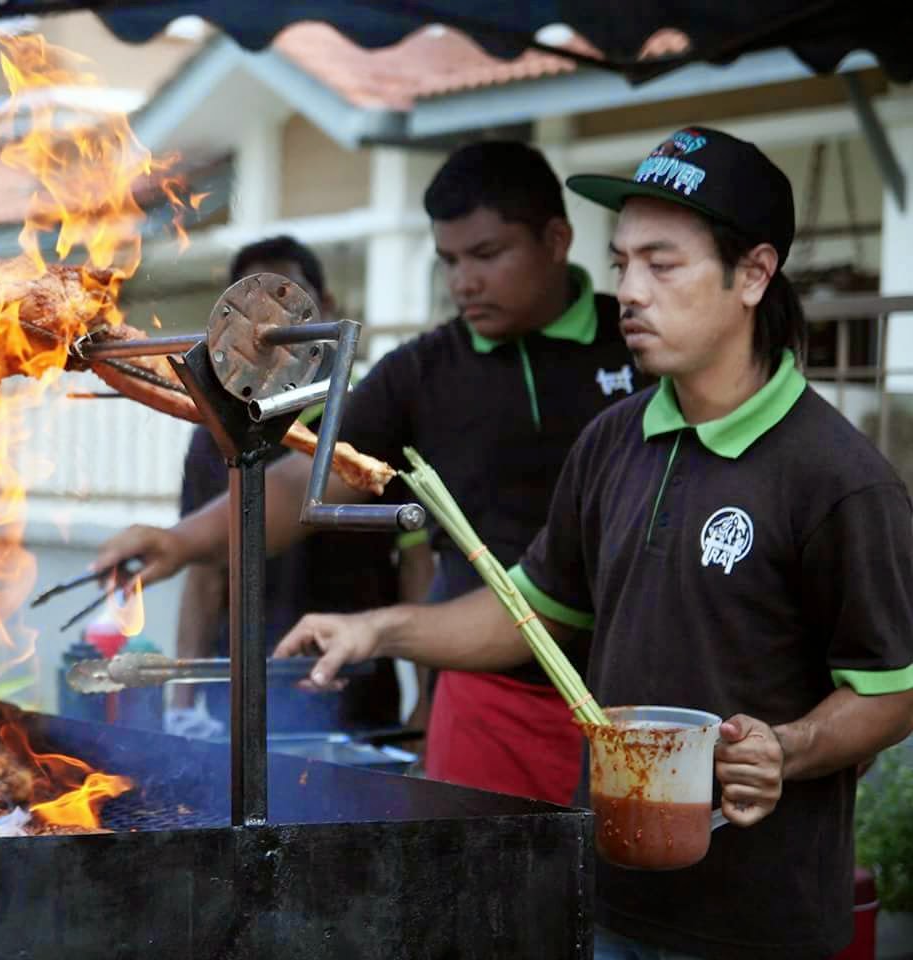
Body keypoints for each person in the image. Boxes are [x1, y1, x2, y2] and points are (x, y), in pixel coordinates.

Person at [274, 126, 913, 959]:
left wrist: (789, 748)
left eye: (662, 263)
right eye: (620, 265)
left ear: (753, 273)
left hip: (757, 920)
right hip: (608, 892)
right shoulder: (612, 443)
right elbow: (531, 618)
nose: (630, 292)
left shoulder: (835, 476)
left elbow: (888, 689)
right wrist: (377, 631)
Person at [98, 141, 648, 802]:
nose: (462, 282)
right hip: (484, 694)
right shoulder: (422, 371)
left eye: (486, 255)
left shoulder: (638, 344)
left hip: (637, 695)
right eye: (448, 260)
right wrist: (182, 541)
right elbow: (305, 479)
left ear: (556, 239)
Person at [169, 236, 427, 736]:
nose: (268, 322)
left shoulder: (367, 422)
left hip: (356, 691)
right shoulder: (214, 433)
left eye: (286, 299)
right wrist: (182, 704)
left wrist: (428, 701)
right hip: (240, 695)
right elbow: (203, 575)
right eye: (248, 305)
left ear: (325, 306)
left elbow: (418, 560)